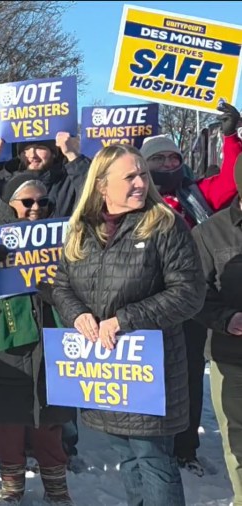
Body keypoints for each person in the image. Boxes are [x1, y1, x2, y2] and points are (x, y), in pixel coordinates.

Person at [52, 143, 205, 505]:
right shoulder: (81, 230)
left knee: (153, 459)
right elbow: (60, 285)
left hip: (152, 370)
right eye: (130, 176)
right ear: (102, 185)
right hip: (106, 373)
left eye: (142, 175)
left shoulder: (164, 225)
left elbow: (189, 294)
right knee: (128, 457)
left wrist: (126, 319)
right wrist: (77, 314)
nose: (140, 183)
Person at [0, 173, 74, 505]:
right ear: (10, 204)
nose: (36, 208)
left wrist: (58, 292)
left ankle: (56, 486)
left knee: (49, 420)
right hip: (4, 345)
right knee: (9, 422)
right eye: (27, 202)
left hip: (51, 343)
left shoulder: (62, 240)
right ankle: (11, 486)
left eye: (43, 202)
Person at [139, 104, 241, 476]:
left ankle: (186, 448)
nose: (167, 163)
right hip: (147, 302)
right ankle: (153, 447)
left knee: (188, 376)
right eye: (158, 158)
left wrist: (231, 137)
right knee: (151, 376)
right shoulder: (134, 199)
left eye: (173, 157)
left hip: (191, 301)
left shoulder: (196, 195)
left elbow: (234, 179)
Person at [191, 154, 242, 505]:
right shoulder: (210, 232)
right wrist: (226, 318)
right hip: (232, 358)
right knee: (239, 442)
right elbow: (194, 293)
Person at [0, 128, 89, 225]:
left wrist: (73, 156)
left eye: (40, 148)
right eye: (26, 149)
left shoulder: (68, 180)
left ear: (54, 153)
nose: (32, 155)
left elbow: (95, 195)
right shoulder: (3, 181)